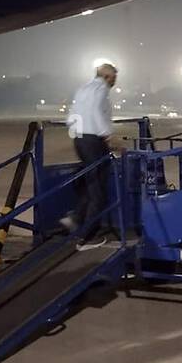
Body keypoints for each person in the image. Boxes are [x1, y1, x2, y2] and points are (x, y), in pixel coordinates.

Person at [65, 63, 119, 248]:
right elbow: (96, 111)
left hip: (79, 138)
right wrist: (107, 134)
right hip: (93, 140)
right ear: (106, 77)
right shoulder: (101, 88)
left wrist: (76, 132)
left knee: (90, 182)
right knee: (98, 190)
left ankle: (76, 217)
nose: (114, 81)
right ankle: (86, 237)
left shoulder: (83, 89)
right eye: (113, 78)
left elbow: (71, 116)